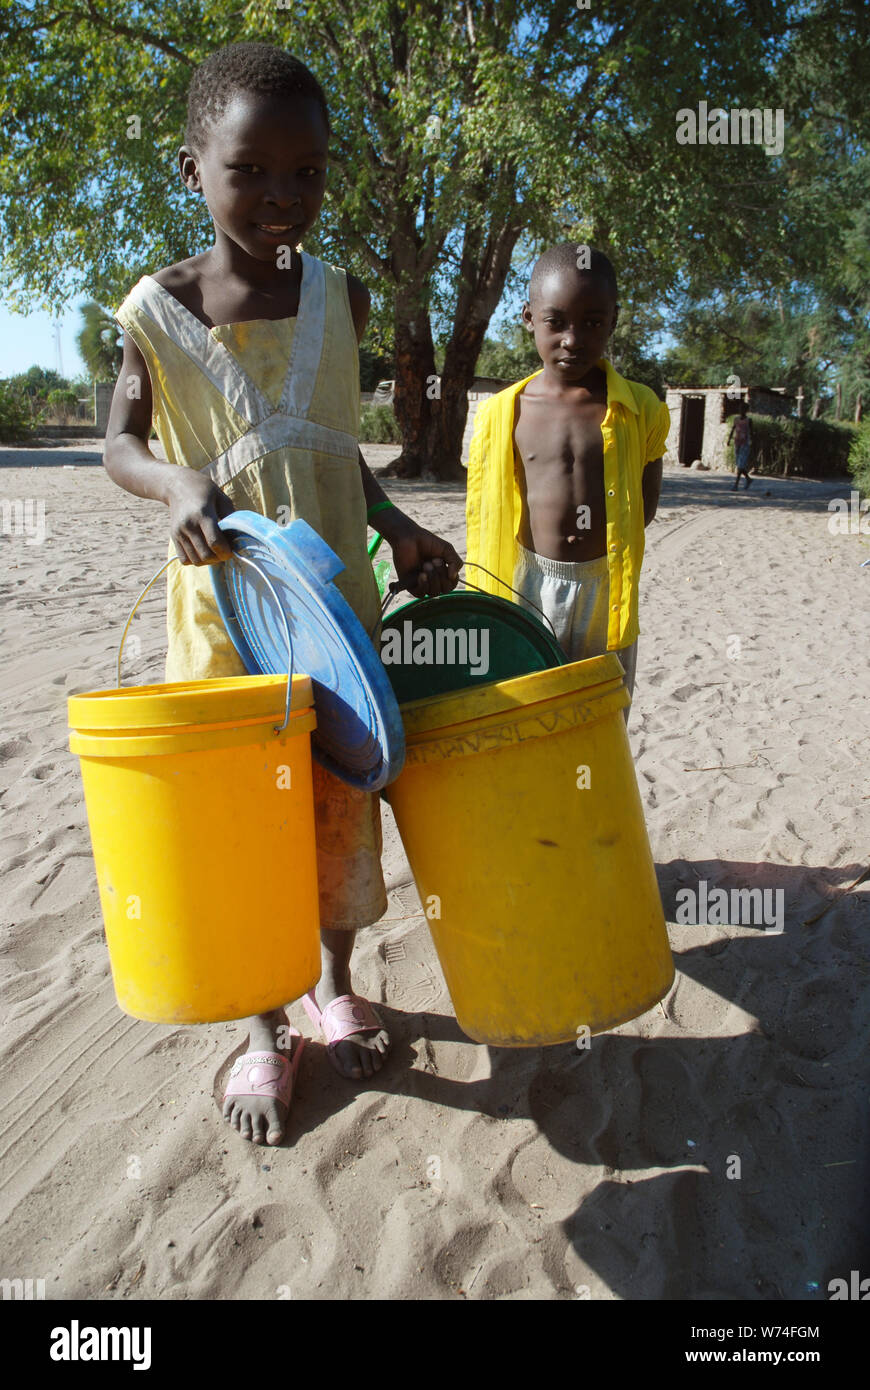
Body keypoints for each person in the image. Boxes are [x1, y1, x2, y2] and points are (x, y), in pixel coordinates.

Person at [103, 42, 461, 1145]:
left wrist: (399, 527)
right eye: (252, 170)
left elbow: (332, 448)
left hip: (337, 609)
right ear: (190, 169)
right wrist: (175, 483)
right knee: (246, 823)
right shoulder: (156, 312)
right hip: (224, 613)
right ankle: (262, 1026)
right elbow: (117, 444)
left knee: (337, 797)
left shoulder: (339, 298)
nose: (281, 196)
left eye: (306, 173)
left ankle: (333, 982)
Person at [464, 244, 669, 715]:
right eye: (556, 322)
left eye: (592, 323)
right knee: (526, 711)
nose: (573, 340)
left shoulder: (641, 410)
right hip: (528, 585)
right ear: (528, 318)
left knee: (601, 717)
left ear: (613, 320)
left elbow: (645, 507)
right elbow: (490, 506)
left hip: (605, 588)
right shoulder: (504, 413)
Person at [727, 402, 753, 489]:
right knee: (739, 465)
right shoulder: (736, 419)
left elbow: (752, 433)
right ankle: (748, 479)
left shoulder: (749, 421)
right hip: (737, 443)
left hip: (745, 445)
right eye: (740, 409)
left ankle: (736, 485)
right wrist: (729, 439)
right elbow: (733, 429)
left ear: (746, 410)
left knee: (741, 465)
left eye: (743, 409)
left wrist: (751, 442)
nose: (741, 411)